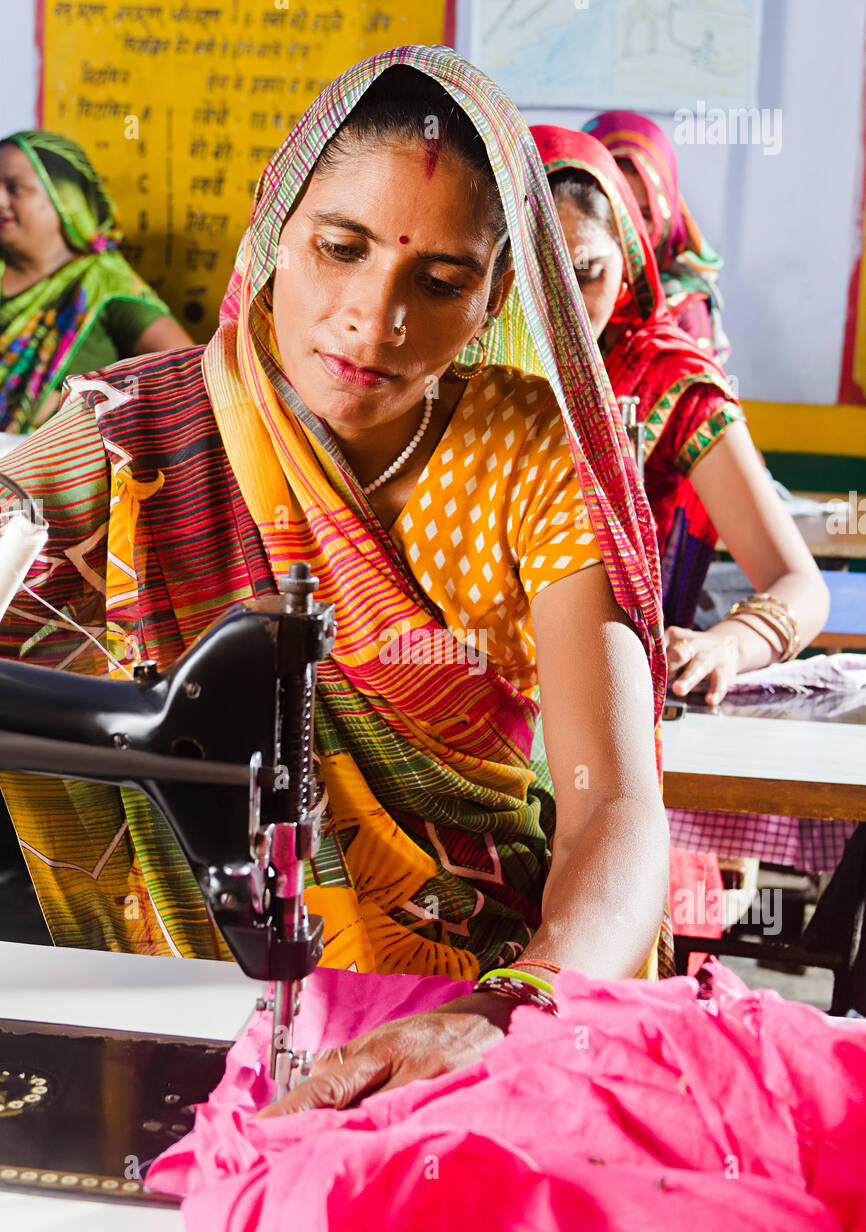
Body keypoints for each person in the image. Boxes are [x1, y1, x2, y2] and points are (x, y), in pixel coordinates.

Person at [0, 48, 674, 1108]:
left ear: (496, 291)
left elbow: (614, 806)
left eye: (440, 280)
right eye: (339, 248)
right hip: (190, 988)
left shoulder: (528, 451)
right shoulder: (129, 432)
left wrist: (514, 1005)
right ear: (277, 229)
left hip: (481, 986)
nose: (375, 316)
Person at [531, 126, 828, 704]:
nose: (562, 302)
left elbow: (802, 586)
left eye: (587, 271)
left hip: (614, 700)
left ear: (631, 260)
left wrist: (729, 644)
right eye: (541, 270)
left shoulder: (671, 383)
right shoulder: (457, 365)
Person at [0, 130, 194, 434]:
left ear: (65, 199)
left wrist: (85, 402)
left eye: (16, 188)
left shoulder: (105, 283)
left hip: (58, 474)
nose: (0, 199)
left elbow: (191, 378)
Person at [582, 109, 730, 362]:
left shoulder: (683, 313)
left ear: (666, 213)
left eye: (644, 214)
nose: (629, 232)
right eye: (616, 213)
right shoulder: (544, 293)